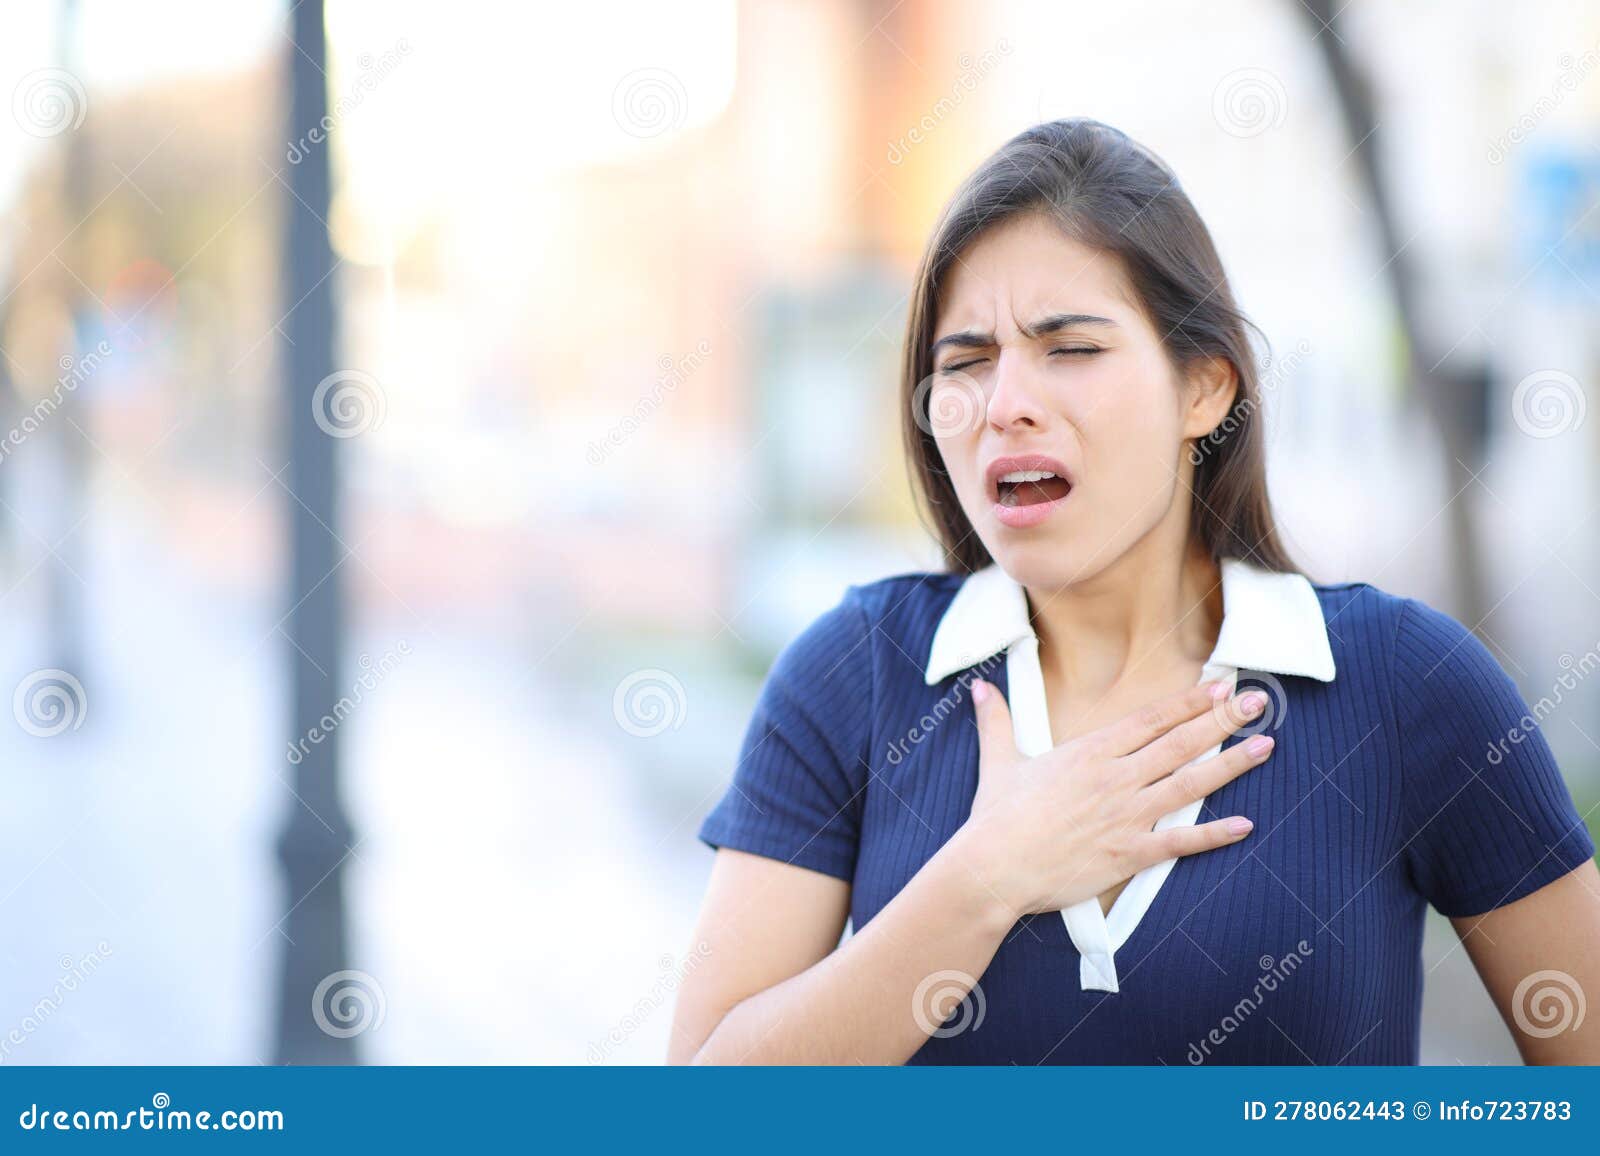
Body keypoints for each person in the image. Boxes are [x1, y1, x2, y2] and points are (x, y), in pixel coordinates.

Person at [669, 119, 1600, 1065]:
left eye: (1068, 348)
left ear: (1204, 390)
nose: (1005, 404)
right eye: (965, 361)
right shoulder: (856, 675)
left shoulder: (1406, 686)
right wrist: (981, 882)